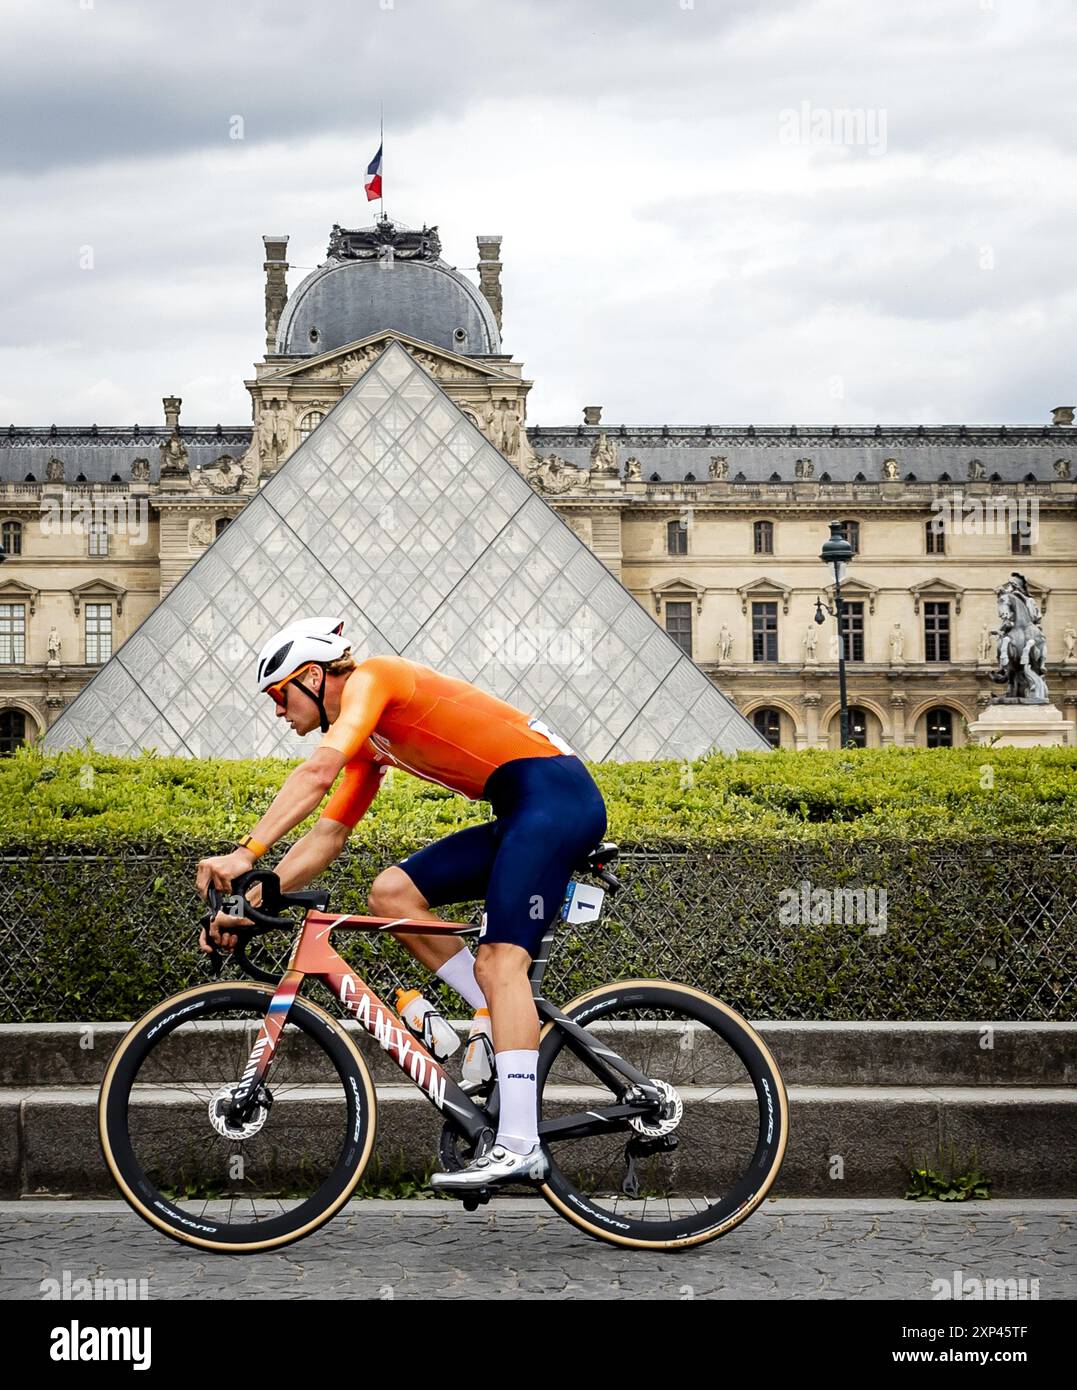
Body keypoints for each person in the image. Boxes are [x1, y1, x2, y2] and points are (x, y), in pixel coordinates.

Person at [196, 617, 607, 1191]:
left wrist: (245, 852)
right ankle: (503, 1015)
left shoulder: (377, 677)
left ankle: (520, 1144)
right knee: (392, 893)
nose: (277, 711)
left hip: (555, 799)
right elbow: (327, 837)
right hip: (525, 809)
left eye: (278, 694)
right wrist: (252, 898)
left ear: (312, 676)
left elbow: (317, 773)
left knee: (499, 963)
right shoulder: (368, 740)